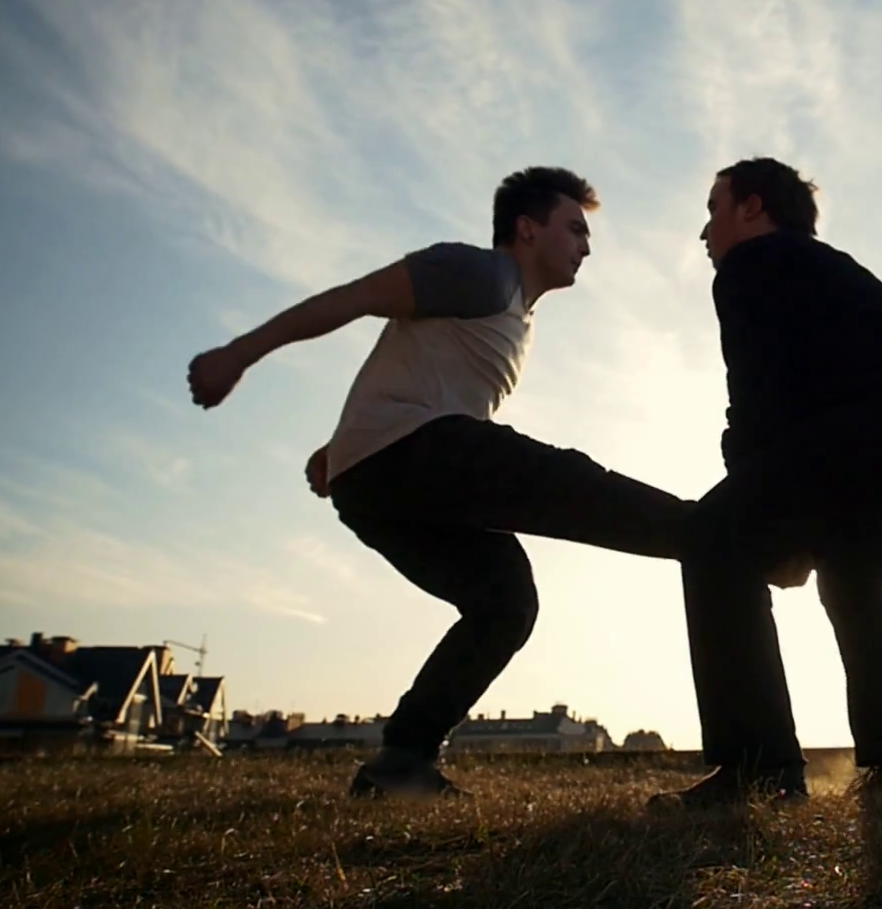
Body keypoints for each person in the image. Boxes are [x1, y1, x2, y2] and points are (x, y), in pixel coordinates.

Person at [187, 166, 691, 798]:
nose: (586, 246)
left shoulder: (513, 316)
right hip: (404, 460)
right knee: (564, 479)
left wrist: (341, 445)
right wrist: (237, 355)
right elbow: (352, 298)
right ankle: (705, 531)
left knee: (506, 603)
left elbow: (422, 376)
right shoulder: (478, 273)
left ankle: (401, 762)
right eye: (575, 228)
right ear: (527, 230)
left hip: (385, 480)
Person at [653, 158, 882, 808]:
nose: (704, 231)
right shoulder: (817, 271)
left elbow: (759, 403)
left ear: (752, 207)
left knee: (712, 535)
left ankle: (757, 769)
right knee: (850, 570)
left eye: (714, 209)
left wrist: (761, 523)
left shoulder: (756, 264)